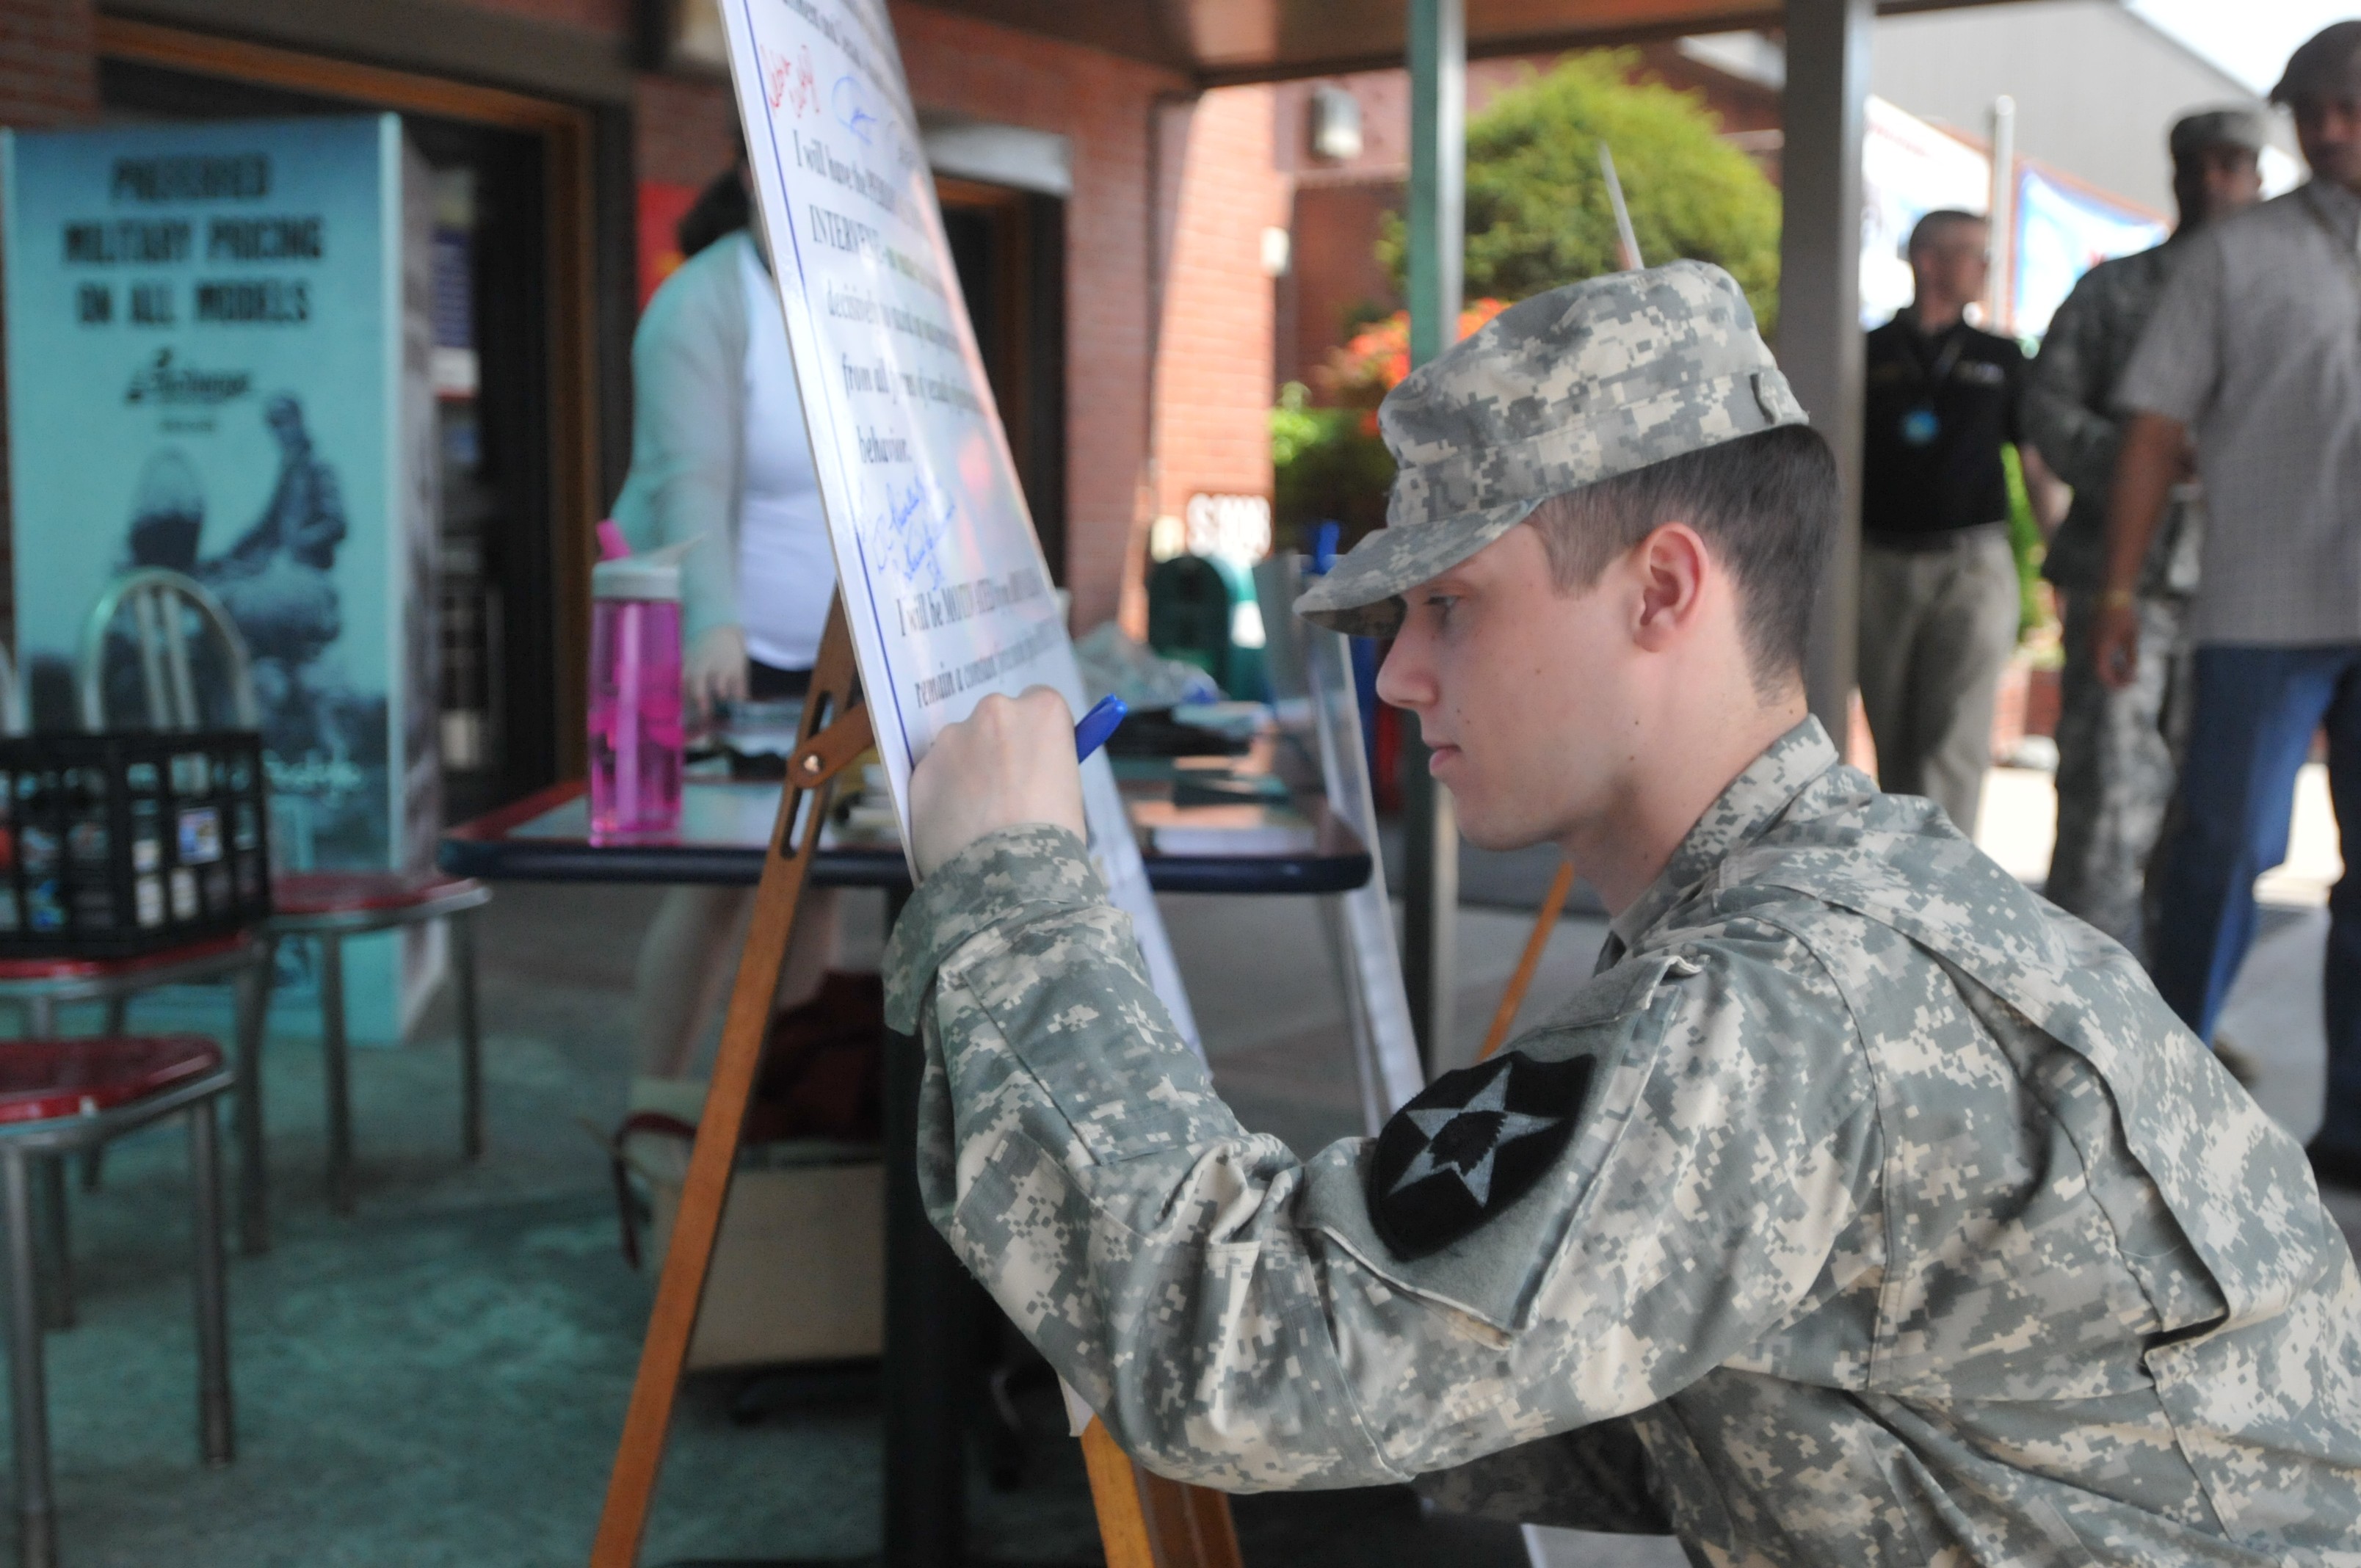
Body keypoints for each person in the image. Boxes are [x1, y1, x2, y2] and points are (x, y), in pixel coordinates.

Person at [886, 262, 2361, 1559]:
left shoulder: (1789, 999)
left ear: (1662, 590)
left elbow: (1238, 1351)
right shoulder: (1838, 891)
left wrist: (1011, 885)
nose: (1399, 675)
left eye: (1451, 606)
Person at [2100, 23, 2361, 1191]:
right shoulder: (2234, 256)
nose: (2327, 130)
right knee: (2220, 853)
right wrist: (2117, 589)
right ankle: (2165, 1108)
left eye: (2349, 108)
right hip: (2262, 611)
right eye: (2310, 111)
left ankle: (2353, 1125)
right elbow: (2154, 429)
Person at [607, 151, 846, 1111]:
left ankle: (778, 1109)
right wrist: (713, 627)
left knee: (817, 880)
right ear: (752, 171)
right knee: (716, 884)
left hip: (831, 657)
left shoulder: (850, 296)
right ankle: (655, 1108)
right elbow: (689, 478)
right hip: (727, 650)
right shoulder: (700, 303)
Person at [2025, 109, 2266, 960]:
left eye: (2231, 164)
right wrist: (2143, 462)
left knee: (2215, 819)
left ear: (2258, 177)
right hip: (2118, 587)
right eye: (2195, 164)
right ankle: (2079, 1016)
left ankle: (2183, 1017)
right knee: (2104, 815)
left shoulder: (2282, 300)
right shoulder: (2114, 292)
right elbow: (2044, 407)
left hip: (2246, 597)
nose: (2212, 181)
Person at [1857, 209, 2061, 836]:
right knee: (1895, 742)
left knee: (1954, 739)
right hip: (1878, 563)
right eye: (1976, 253)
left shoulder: (2001, 356)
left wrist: (2063, 562)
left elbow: (2037, 465)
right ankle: (1901, 873)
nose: (1986, 267)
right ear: (1929, 261)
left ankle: (1944, 875)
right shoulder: (1867, 352)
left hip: (1972, 566)